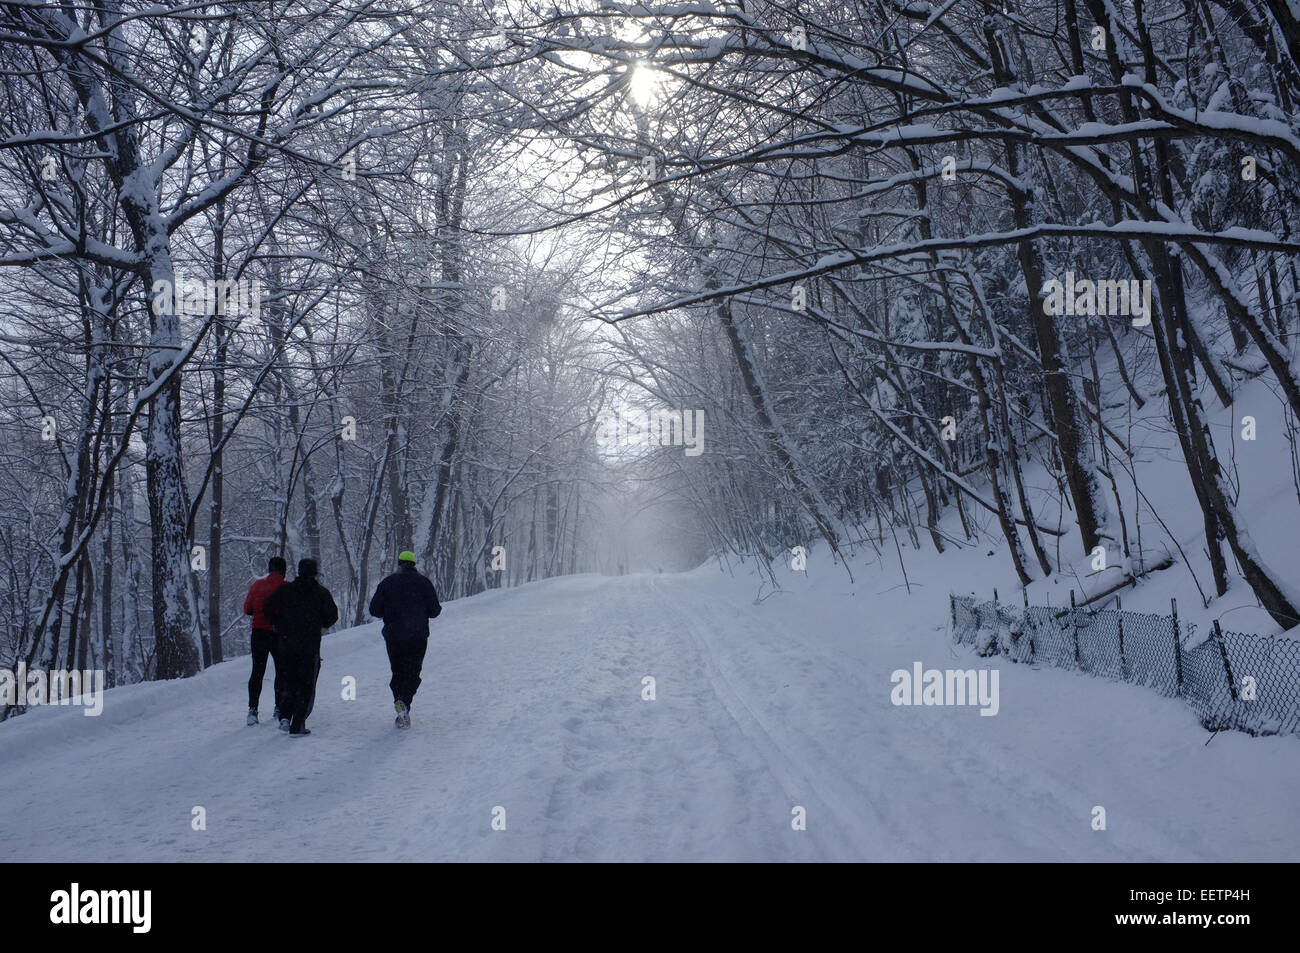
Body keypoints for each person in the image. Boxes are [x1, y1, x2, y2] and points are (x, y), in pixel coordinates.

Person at [263, 558, 338, 737]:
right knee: (306, 684)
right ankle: (298, 724)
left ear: (298, 571)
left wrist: (277, 623)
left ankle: (285, 717)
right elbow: (332, 616)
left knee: (288, 680)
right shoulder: (321, 593)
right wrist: (320, 624)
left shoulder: (285, 590)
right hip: (309, 646)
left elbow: (267, 607)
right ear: (314, 573)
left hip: (286, 643)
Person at [368, 550, 441, 729]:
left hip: (393, 636)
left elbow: (374, 610)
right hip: (417, 636)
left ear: (399, 563)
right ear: (414, 564)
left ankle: (399, 702)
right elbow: (435, 611)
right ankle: (404, 703)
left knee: (398, 671)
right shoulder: (424, 583)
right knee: (413, 672)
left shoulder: (387, 583)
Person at [242, 556, 288, 726]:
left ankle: (252, 710)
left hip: (259, 633)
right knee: (281, 672)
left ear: (269, 569)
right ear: (284, 570)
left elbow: (247, 609)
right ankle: (279, 708)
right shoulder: (286, 588)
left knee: (257, 671)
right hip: (279, 634)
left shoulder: (257, 585)